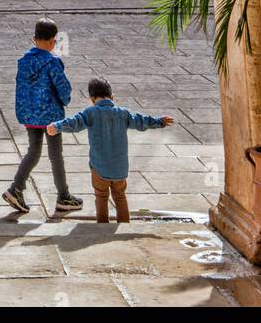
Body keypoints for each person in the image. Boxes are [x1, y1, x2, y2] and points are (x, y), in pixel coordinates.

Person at [47, 76, 174, 222]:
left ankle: (103, 226)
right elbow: (141, 121)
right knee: (120, 197)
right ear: (112, 97)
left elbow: (74, 122)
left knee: (101, 197)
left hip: (99, 168)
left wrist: (56, 126)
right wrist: (159, 121)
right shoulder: (123, 113)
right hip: (120, 169)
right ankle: (125, 225)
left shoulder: (90, 113)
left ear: (92, 99)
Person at [2, 17, 83, 216]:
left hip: (29, 114)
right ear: (53, 40)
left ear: (34, 38)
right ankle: (63, 196)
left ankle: (16, 188)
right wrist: (66, 100)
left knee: (34, 151)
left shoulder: (24, 60)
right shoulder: (52, 62)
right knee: (56, 155)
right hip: (50, 116)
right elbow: (63, 88)